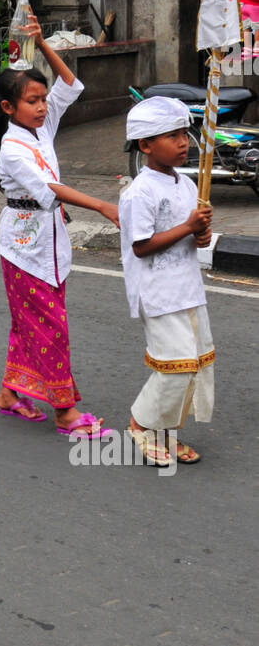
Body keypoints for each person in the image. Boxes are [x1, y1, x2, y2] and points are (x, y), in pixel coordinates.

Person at [0, 11, 119, 435]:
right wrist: (102, 206)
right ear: (9, 107)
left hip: (49, 241)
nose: (43, 107)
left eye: (42, 100)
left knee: (31, 323)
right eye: (32, 101)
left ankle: (10, 393)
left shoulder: (41, 129)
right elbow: (52, 188)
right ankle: (64, 413)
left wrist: (43, 44)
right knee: (50, 328)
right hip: (25, 247)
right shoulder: (12, 148)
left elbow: (71, 84)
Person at [119, 97, 214, 468]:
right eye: (172, 136)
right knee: (175, 364)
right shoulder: (139, 193)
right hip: (157, 293)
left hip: (187, 287)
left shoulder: (187, 185)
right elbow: (142, 246)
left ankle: (165, 431)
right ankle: (140, 425)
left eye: (185, 134)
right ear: (145, 145)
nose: (183, 143)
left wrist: (201, 235)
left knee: (194, 362)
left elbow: (193, 237)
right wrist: (188, 227)